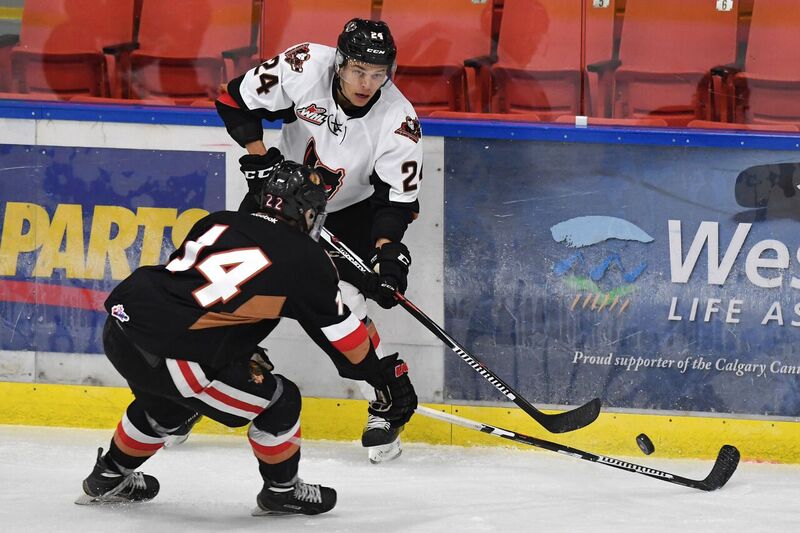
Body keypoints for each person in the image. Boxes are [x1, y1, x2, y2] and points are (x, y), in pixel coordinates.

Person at [75, 160, 417, 516]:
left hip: (122, 327)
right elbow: (349, 346)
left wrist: (236, 347)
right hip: (175, 353)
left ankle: (108, 476)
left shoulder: (218, 222)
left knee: (168, 406)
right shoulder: (308, 259)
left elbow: (195, 293)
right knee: (281, 401)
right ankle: (282, 491)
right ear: (308, 212)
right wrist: (383, 377)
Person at [215, 17, 423, 463]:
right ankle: (202, 385)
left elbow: (395, 202)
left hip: (348, 213)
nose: (367, 84)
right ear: (340, 63)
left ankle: (386, 396)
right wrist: (258, 159)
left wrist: (386, 253)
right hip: (282, 194)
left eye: (378, 73)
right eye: (358, 71)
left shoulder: (399, 120)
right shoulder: (305, 64)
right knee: (231, 285)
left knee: (347, 302)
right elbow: (233, 99)